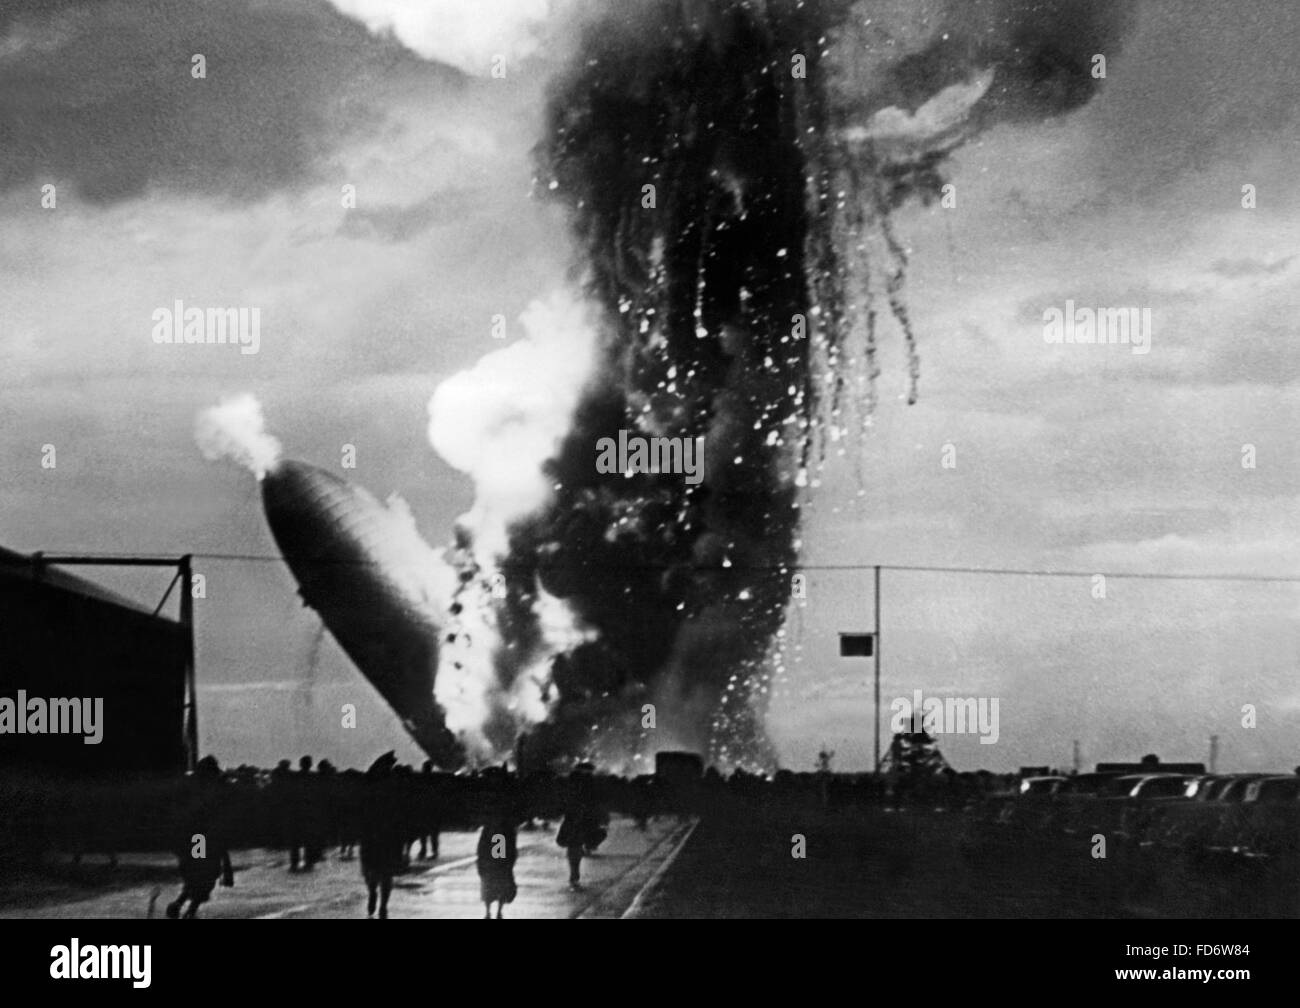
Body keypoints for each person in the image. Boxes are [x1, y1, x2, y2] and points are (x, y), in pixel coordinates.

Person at [166, 755, 234, 919]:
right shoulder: (206, 788)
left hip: (190, 836)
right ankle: (188, 908)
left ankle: (182, 904)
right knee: (204, 874)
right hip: (200, 836)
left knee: (197, 874)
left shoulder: (189, 784)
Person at [359, 752, 404, 919]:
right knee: (383, 873)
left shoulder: (370, 786)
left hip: (375, 834)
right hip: (385, 835)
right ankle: (379, 900)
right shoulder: (391, 786)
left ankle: (378, 899)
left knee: (375, 871)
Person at [476, 767, 518, 918]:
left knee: (491, 874)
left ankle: (489, 911)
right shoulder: (507, 793)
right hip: (501, 834)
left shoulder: (492, 794)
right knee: (500, 873)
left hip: (495, 834)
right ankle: (498, 910)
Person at [557, 762, 604, 890]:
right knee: (576, 848)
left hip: (573, 819)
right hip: (581, 819)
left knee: (574, 848)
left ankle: (574, 875)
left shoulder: (570, 782)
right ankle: (574, 875)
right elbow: (595, 800)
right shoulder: (588, 783)